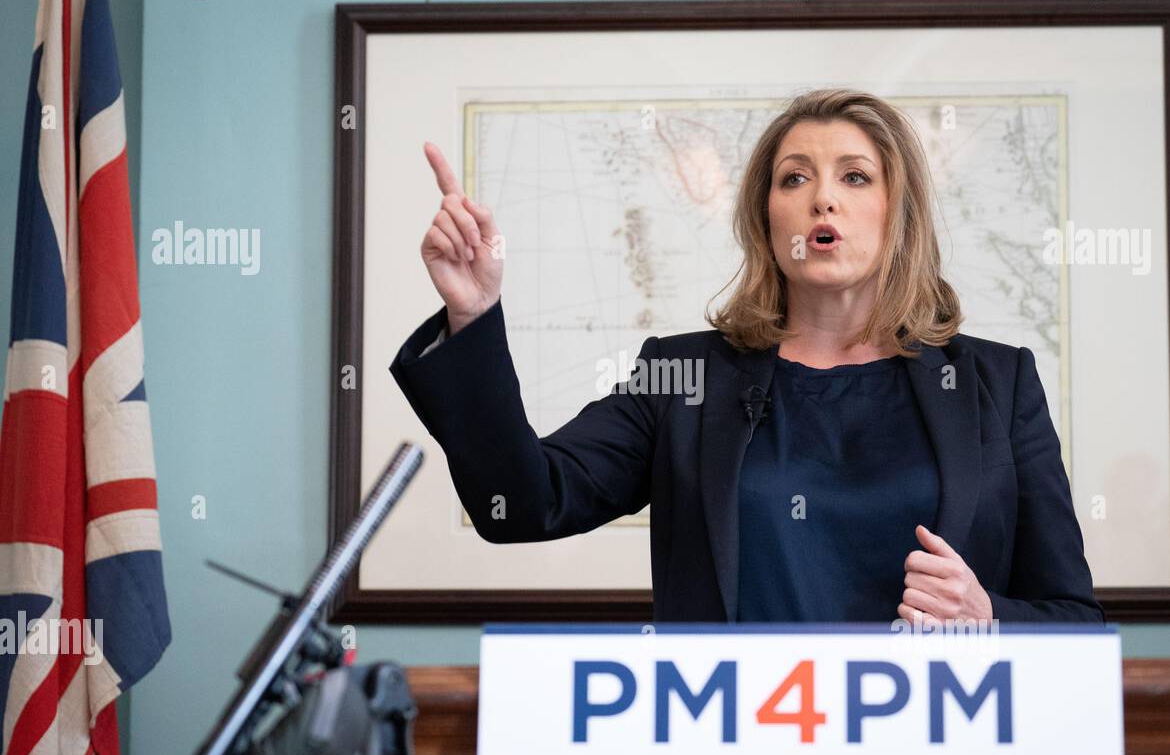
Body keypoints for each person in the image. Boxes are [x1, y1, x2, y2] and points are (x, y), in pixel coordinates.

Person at [390, 88, 1105, 626]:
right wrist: (474, 315)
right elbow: (518, 504)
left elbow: (1076, 622)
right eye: (795, 178)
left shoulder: (997, 386)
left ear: (900, 213)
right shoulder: (682, 380)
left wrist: (988, 620)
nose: (823, 197)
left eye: (855, 177)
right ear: (767, 219)